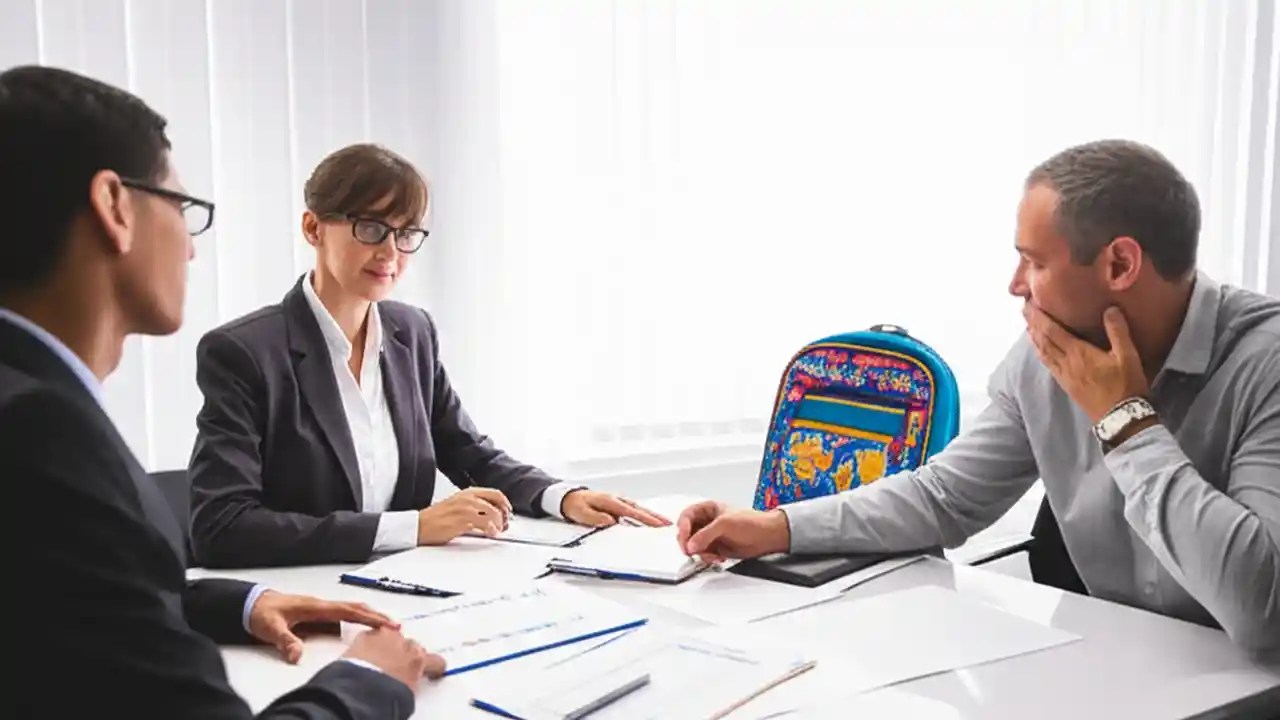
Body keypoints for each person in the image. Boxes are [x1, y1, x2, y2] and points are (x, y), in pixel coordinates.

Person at [677, 139, 1280, 653]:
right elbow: (945, 497)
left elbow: (1262, 612)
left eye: (1033, 262)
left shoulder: (1267, 362)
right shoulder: (1048, 356)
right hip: (1114, 672)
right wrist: (775, 526)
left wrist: (1126, 422)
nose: (1015, 285)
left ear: (1120, 263)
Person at [1, 65, 445, 718]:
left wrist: (239, 602)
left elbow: (66, 596)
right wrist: (369, 683)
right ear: (114, 207)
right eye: (182, 208)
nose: (189, 250)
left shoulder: (30, 405)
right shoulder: (39, 436)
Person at [189, 142, 667, 568]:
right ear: (313, 227)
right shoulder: (244, 353)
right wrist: (414, 527)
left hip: (407, 589)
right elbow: (222, 528)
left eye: (407, 233)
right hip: (305, 601)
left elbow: (467, 451)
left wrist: (562, 497)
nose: (390, 252)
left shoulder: (410, 332)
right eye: (371, 228)